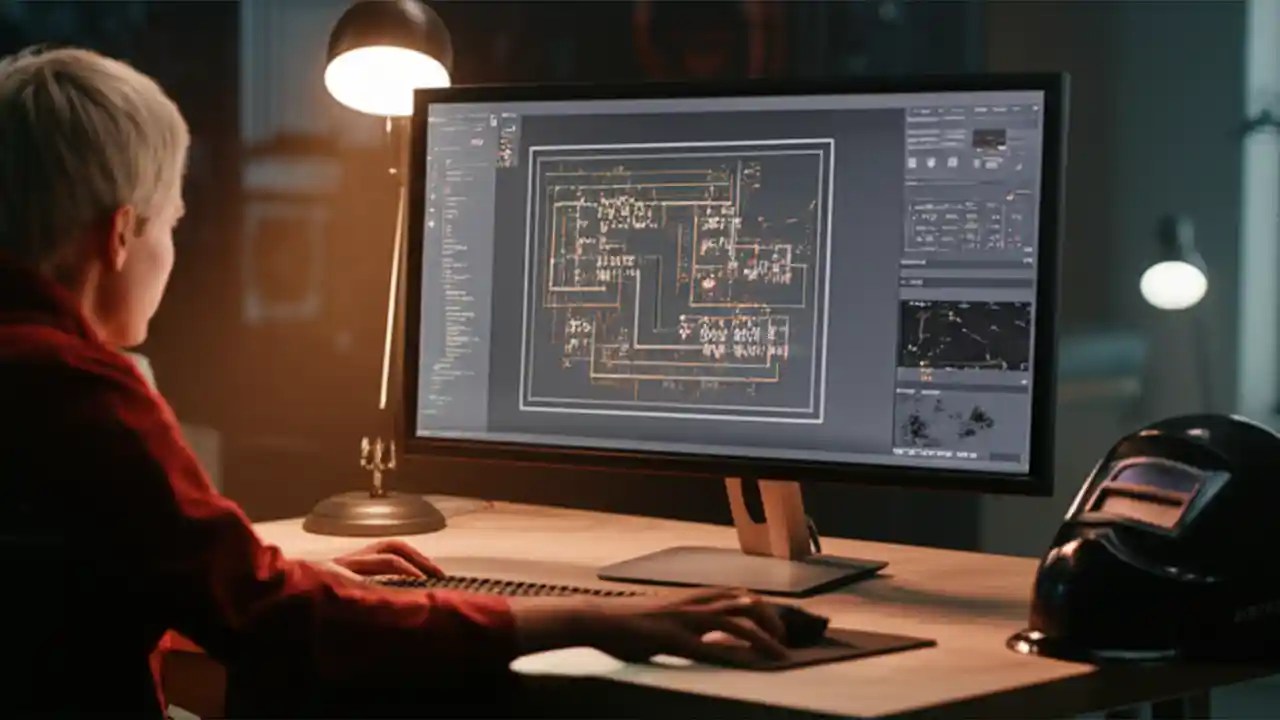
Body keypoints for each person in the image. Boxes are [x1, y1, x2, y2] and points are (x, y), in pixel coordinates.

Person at [0, 46, 786, 718]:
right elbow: (278, 625)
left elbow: (77, 594)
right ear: (120, 234)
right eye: (172, 223)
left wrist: (277, 580)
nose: (174, 249)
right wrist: (587, 618)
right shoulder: (80, 395)